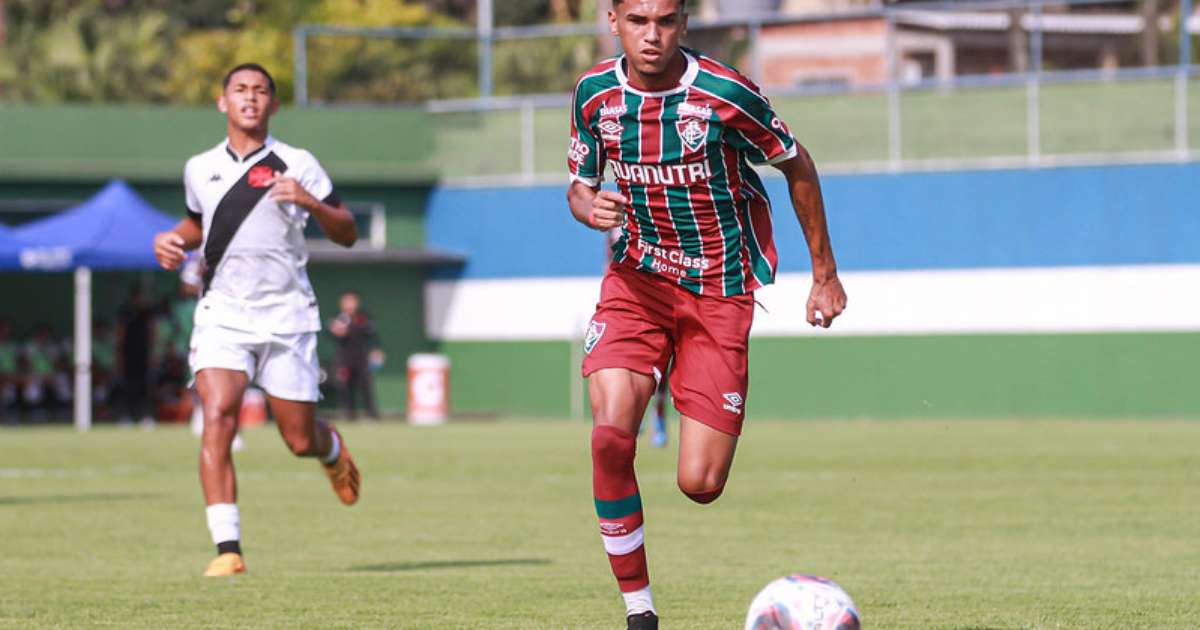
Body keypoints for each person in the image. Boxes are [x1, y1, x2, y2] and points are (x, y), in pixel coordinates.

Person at [566, 1, 848, 627]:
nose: (652, 34)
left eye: (665, 21)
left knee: (700, 484)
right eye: (638, 20)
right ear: (614, 20)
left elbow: (796, 162)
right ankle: (640, 612)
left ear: (684, 24)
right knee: (610, 436)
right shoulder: (593, 96)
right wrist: (589, 208)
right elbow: (581, 182)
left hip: (718, 293)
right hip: (635, 283)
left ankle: (690, 391)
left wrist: (824, 273)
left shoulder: (724, 93)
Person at [152, 62, 361, 577]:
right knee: (217, 412)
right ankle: (228, 549)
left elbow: (349, 232)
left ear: (273, 104)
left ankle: (330, 450)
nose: (251, 98)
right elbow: (200, 221)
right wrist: (174, 238)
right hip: (223, 312)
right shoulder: (199, 167)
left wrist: (310, 201)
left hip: (287, 315)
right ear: (222, 102)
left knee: (298, 440)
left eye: (261, 91)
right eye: (240, 90)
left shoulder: (298, 162)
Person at [329, 291, 381, 421]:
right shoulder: (338, 318)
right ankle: (348, 414)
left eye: (352, 301)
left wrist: (376, 350)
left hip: (361, 358)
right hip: (344, 359)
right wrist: (337, 331)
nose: (350, 305)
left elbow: (372, 335)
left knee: (366, 385)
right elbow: (331, 332)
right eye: (347, 301)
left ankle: (371, 415)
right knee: (345, 386)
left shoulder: (363, 317)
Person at [116, 284, 156, 426]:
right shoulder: (125, 311)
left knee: (144, 385)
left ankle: (145, 416)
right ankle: (127, 415)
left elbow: (152, 331)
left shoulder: (147, 312)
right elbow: (120, 332)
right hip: (128, 354)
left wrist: (153, 353)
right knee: (128, 385)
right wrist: (119, 353)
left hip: (143, 353)